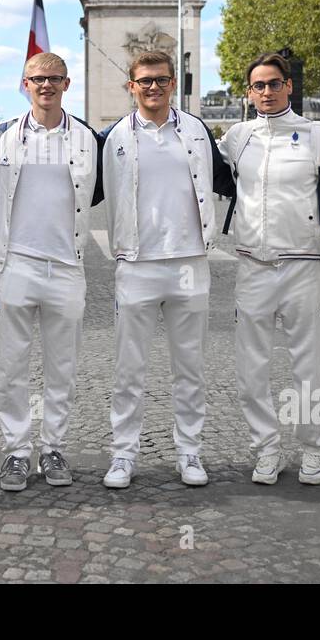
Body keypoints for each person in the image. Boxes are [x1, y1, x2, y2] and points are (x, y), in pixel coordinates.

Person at [218, 52, 320, 486]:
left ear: (289, 86)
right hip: (252, 266)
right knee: (250, 367)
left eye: (274, 83)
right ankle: (266, 448)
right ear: (248, 91)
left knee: (309, 365)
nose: (267, 92)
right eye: (258, 85)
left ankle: (313, 449)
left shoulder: (317, 134)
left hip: (302, 267)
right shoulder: (236, 138)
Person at [100, 50, 234, 489]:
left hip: (190, 261)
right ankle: (123, 455)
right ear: (131, 86)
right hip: (136, 264)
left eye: (160, 80)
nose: (152, 87)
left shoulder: (197, 131)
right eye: (144, 81)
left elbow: (235, 179)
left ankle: (190, 452)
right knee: (128, 369)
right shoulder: (113, 137)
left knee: (190, 367)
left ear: (173, 82)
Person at [0, 51, 104, 491]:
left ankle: (54, 447)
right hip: (17, 263)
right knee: (11, 367)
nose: (46, 85)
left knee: (63, 367)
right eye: (38, 79)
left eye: (55, 78)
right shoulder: (3, 138)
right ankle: (16, 451)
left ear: (67, 84)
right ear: (25, 84)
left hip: (68, 266)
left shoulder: (89, 140)